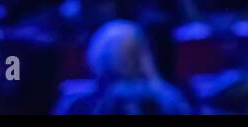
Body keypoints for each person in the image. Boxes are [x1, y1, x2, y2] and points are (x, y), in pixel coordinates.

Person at [54, 20, 189, 114]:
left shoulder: (164, 96)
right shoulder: (80, 101)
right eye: (123, 52)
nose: (128, 59)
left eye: (133, 51)